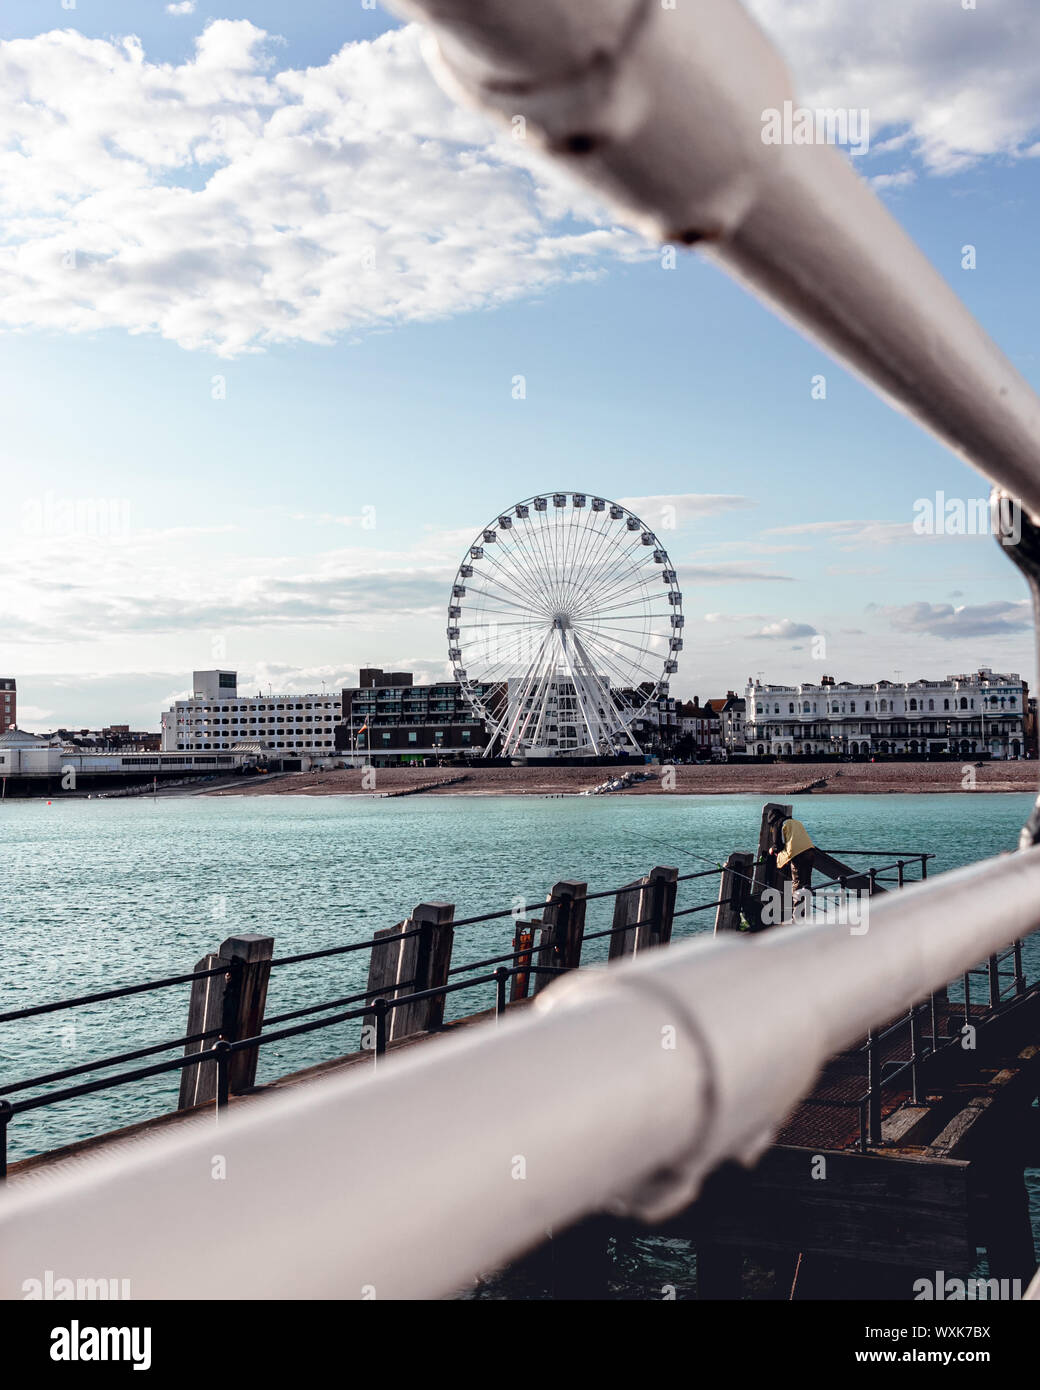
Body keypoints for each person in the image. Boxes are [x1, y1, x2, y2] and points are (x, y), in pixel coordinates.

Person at [767, 807, 816, 918]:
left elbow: (777, 845)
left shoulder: (778, 824)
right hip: (810, 852)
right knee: (807, 883)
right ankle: (805, 912)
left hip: (798, 855)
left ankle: (797, 914)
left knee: (797, 882)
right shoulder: (795, 822)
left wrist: (772, 850)